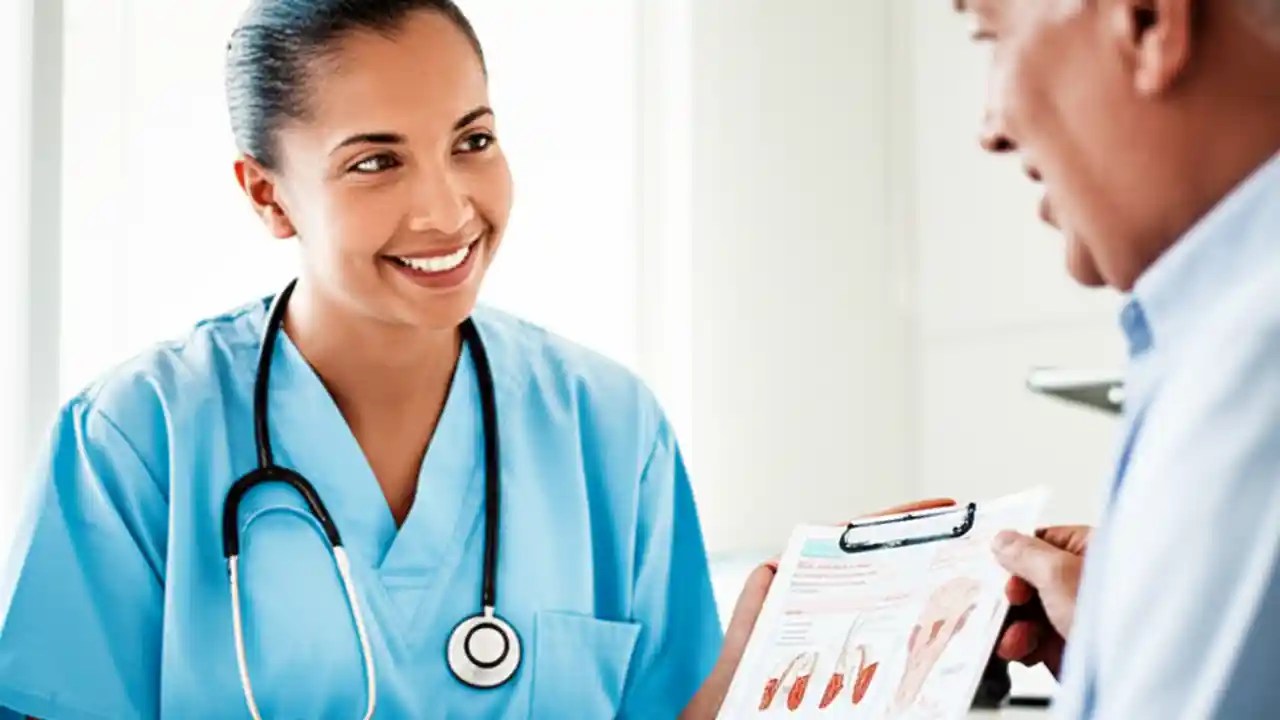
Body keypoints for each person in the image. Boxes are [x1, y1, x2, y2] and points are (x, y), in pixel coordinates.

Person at [0, 1, 725, 717]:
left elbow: (673, 703)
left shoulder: (608, 427)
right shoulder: (136, 438)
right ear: (269, 195)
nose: (445, 212)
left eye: (471, 143)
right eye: (376, 162)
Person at [689, 0, 1280, 717]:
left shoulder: (1252, 372)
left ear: (1150, 22)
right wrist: (1125, 651)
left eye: (992, 38)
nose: (990, 128)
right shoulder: (1217, 350)